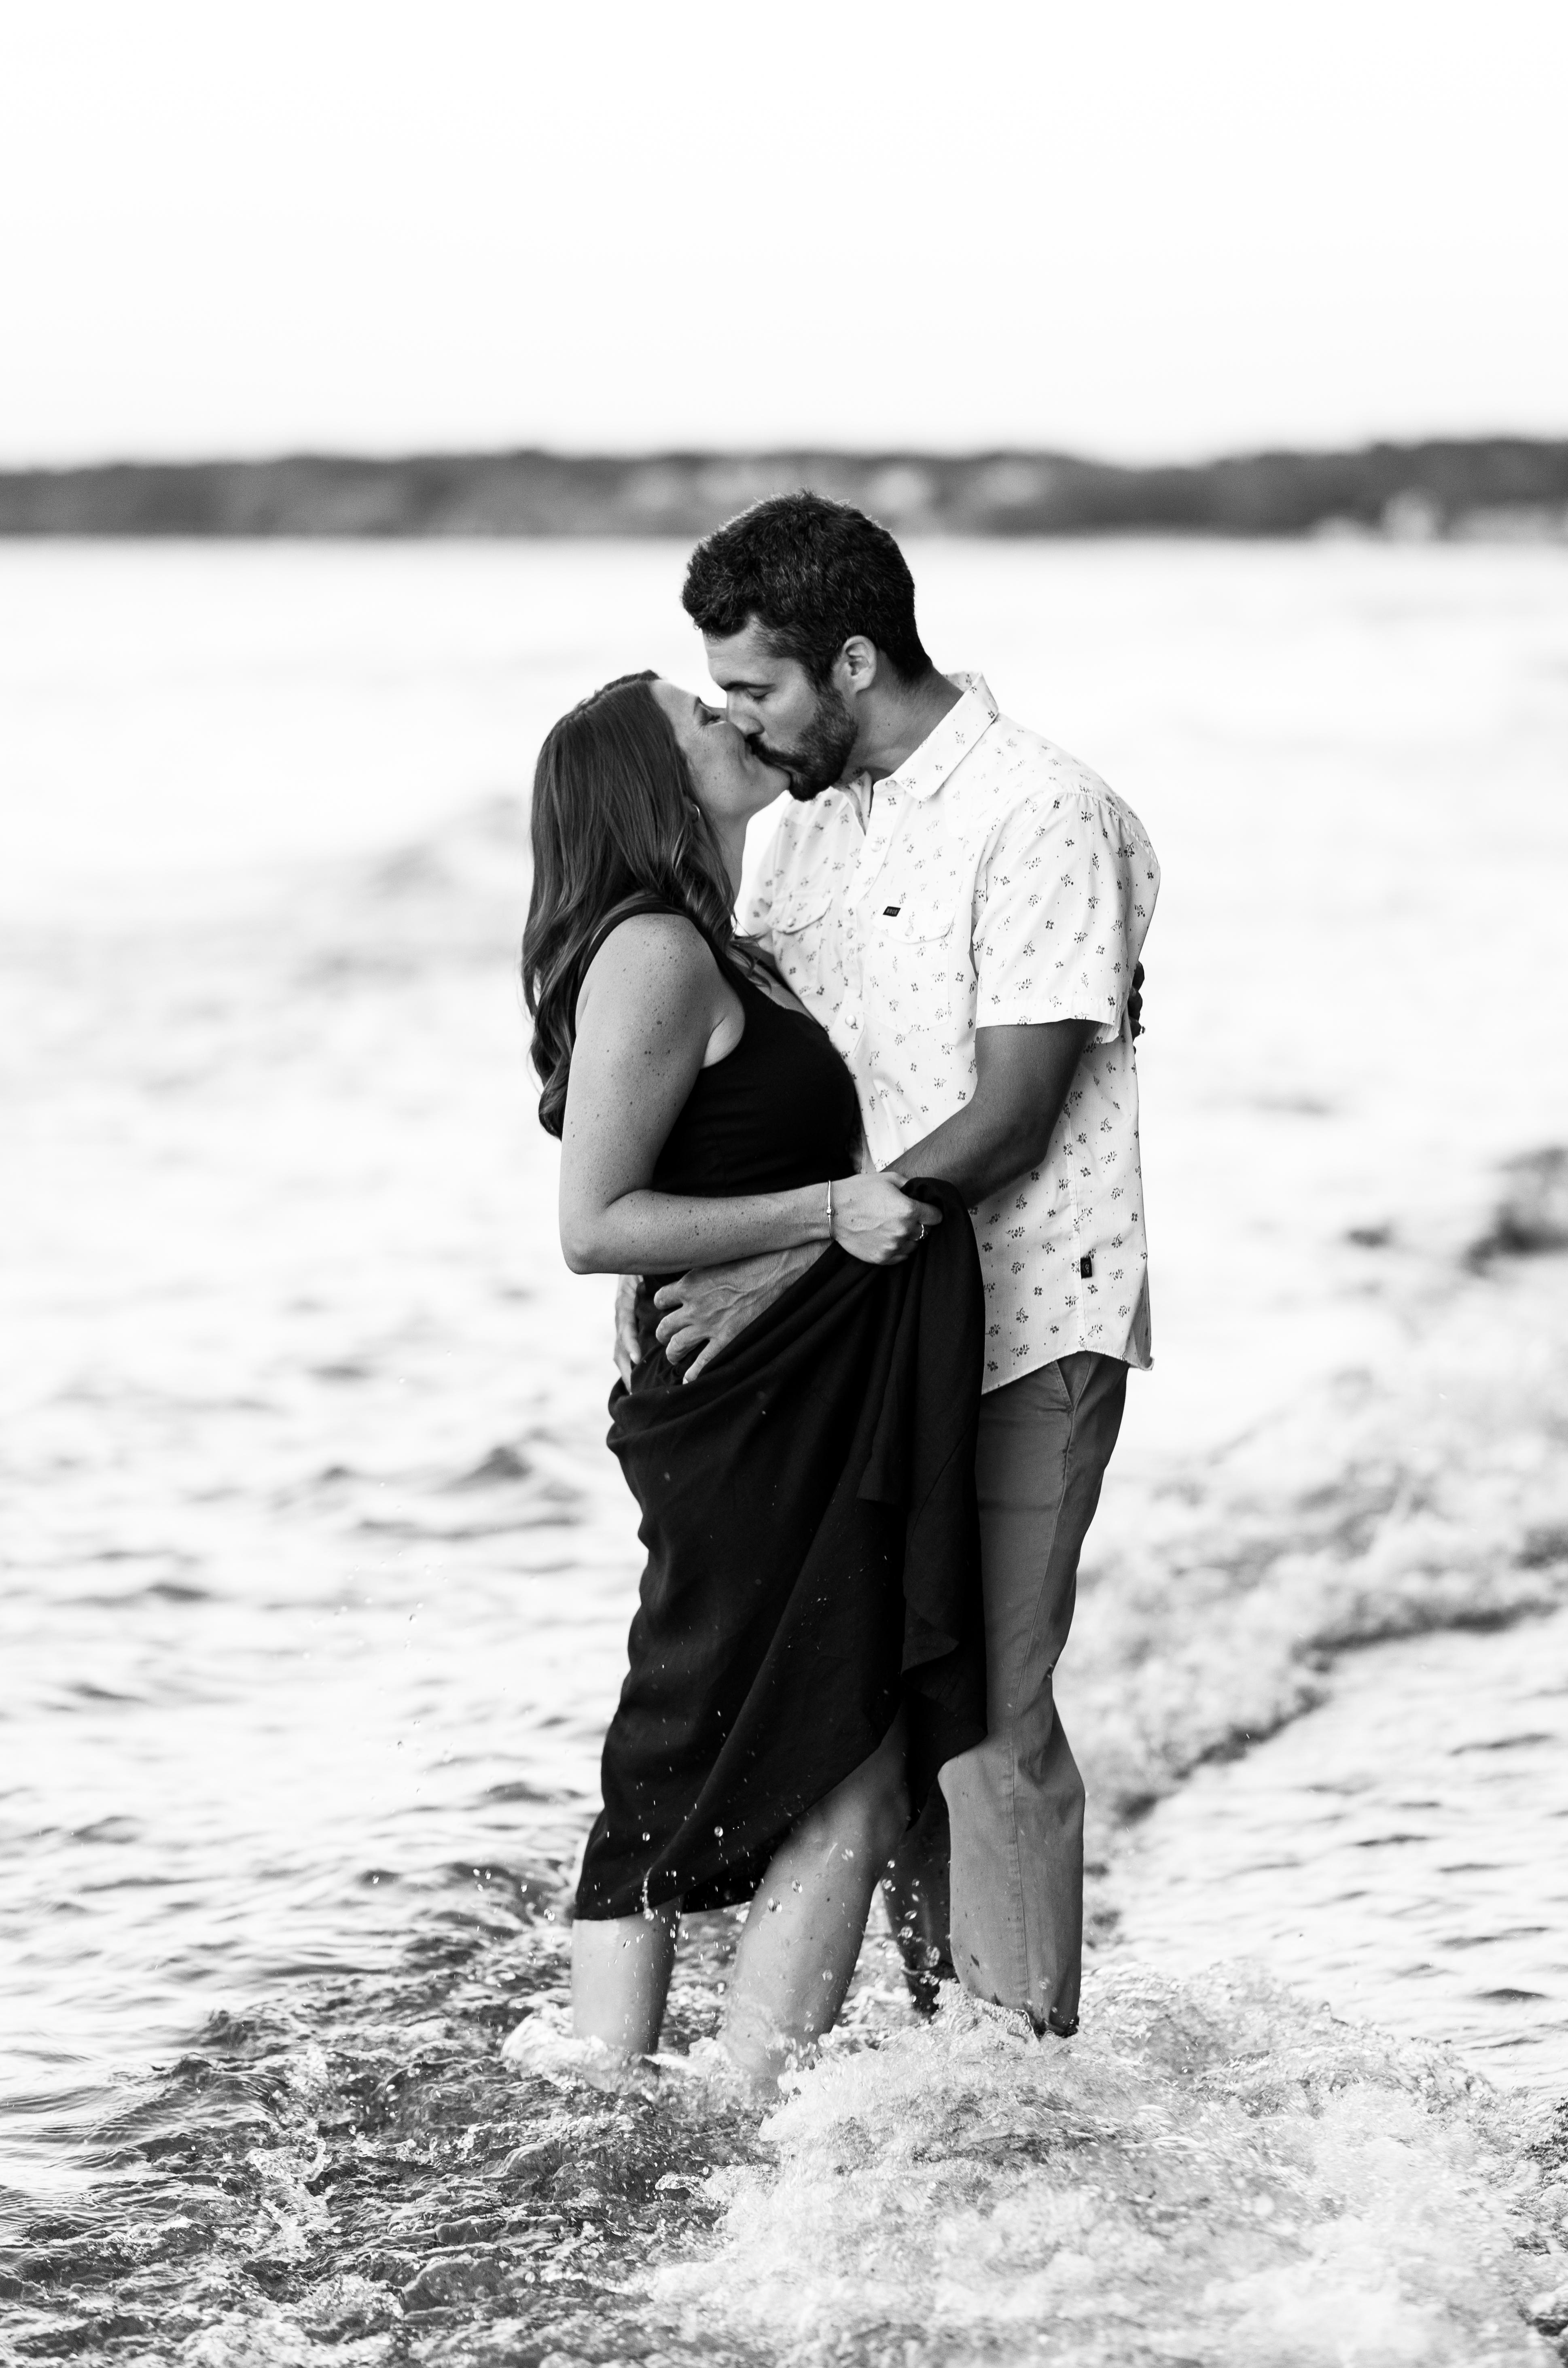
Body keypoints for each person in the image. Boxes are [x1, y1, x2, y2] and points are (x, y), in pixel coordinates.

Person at [636, 493, 1159, 2040]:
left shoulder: (1043, 810)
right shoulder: (792, 833)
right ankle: (935, 2045)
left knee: (985, 1715)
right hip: (843, 1337)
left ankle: (1011, 2090)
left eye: (759, 690)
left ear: (854, 661)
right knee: (862, 1704)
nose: (742, 721)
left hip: (1020, 1321)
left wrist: (784, 1257)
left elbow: (1007, 1117)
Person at [519, 669, 987, 2088]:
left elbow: (710, 1168)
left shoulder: (724, 943)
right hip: (745, 1406)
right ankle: (725, 2124)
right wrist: (831, 1214)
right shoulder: (657, 951)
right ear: (654, 787)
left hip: (791, 1379)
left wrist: (822, 1210)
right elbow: (596, 1226)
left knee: (732, 1722)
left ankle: (654, 2103)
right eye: (702, 721)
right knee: (820, 1751)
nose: (737, 725)